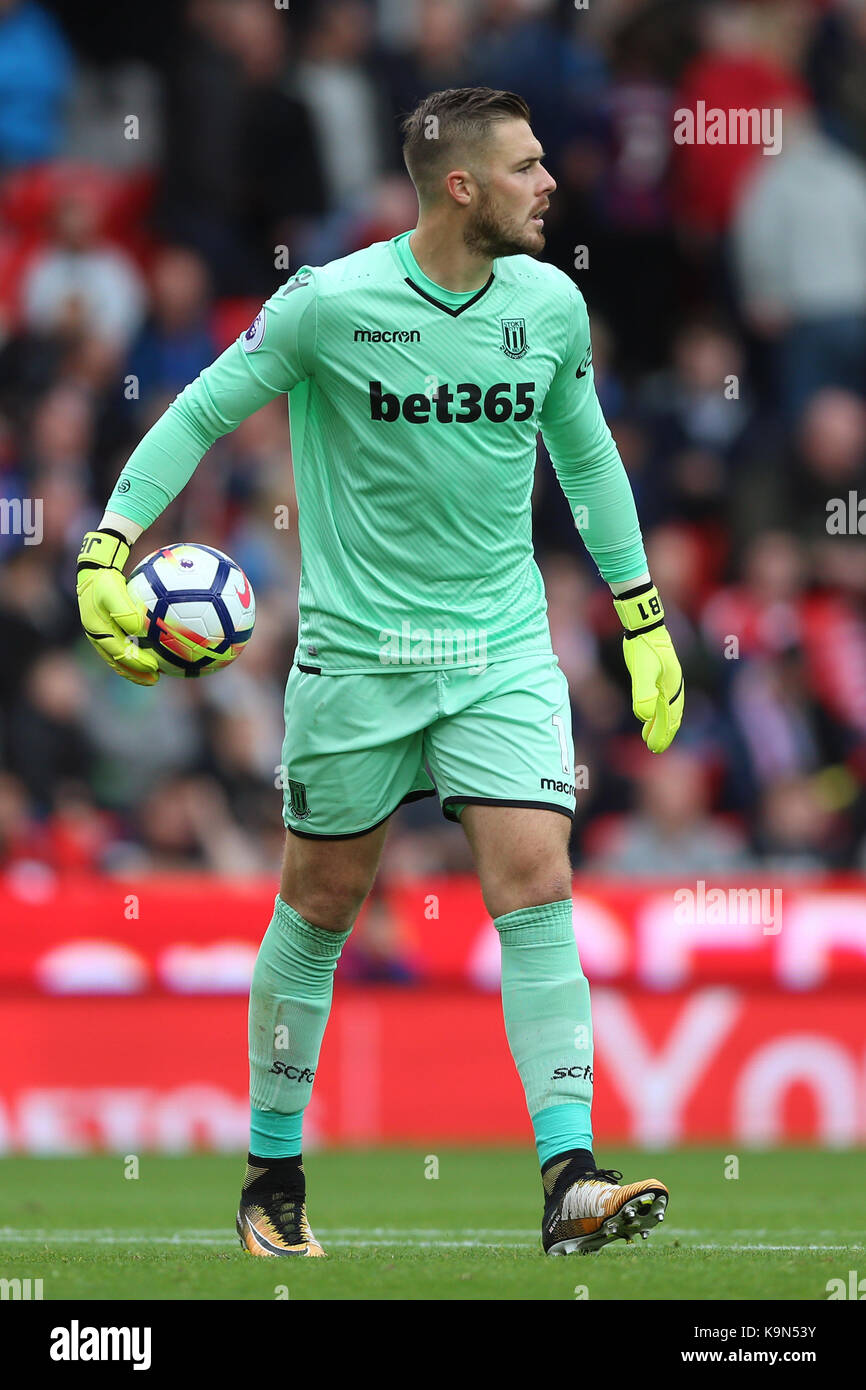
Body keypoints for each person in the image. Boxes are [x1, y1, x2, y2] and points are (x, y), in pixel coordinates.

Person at [75, 87, 684, 1258]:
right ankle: (272, 1175)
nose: (549, 182)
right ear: (461, 187)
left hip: (499, 650)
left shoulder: (550, 305)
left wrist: (642, 615)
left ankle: (568, 1175)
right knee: (318, 905)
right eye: (525, 166)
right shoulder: (329, 305)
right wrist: (112, 540)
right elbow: (199, 411)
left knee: (535, 884)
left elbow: (589, 455)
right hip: (356, 659)